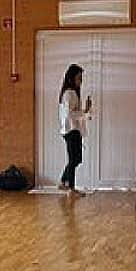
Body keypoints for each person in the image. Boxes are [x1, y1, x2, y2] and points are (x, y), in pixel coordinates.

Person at [57, 64, 92, 197]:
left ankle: (63, 182)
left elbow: (74, 113)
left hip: (73, 130)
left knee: (76, 159)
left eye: (81, 78)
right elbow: (69, 114)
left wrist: (85, 111)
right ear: (71, 78)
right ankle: (70, 188)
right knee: (74, 159)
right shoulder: (69, 94)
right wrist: (85, 111)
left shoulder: (72, 93)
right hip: (70, 130)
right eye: (79, 78)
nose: (81, 81)